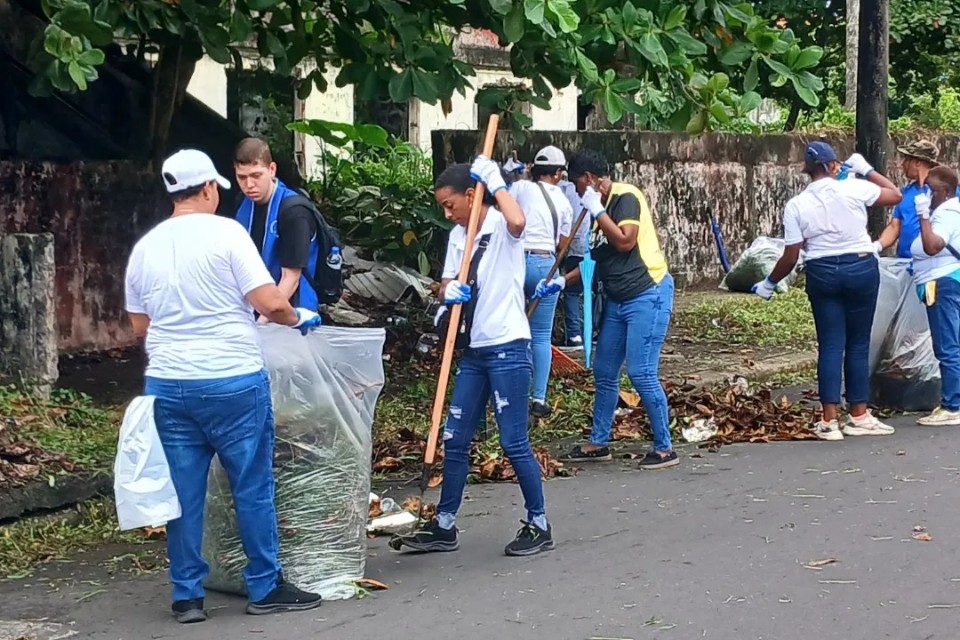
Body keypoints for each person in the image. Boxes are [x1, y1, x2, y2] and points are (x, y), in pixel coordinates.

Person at [124, 149, 324, 623]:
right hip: (231, 379)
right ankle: (264, 585)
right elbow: (270, 302)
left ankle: (187, 595)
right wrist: (298, 316)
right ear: (210, 188)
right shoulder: (228, 234)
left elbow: (138, 328)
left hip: (169, 384)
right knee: (252, 484)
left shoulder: (146, 247)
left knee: (184, 492)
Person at [396, 157, 554, 556]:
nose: (447, 213)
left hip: (508, 346)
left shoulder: (501, 225)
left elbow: (519, 222)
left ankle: (539, 523)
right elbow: (448, 279)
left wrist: (496, 182)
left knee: (513, 441)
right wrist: (446, 291)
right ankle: (444, 524)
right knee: (456, 436)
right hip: (473, 350)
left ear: (472, 195)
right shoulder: (456, 236)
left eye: (451, 205)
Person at [752, 142, 902, 440]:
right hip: (860, 267)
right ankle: (859, 415)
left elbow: (791, 254)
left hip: (822, 272)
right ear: (834, 166)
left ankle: (829, 420)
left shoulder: (796, 204)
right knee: (858, 342)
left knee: (831, 344)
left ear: (808, 170)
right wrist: (866, 169)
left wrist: (769, 283)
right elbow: (895, 195)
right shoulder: (854, 188)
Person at [545, 150, 678, 470]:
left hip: (649, 294)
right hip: (618, 300)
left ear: (589, 180)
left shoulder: (625, 197)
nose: (577, 193)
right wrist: (563, 282)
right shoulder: (596, 213)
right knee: (605, 370)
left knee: (641, 372)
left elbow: (625, 241)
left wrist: (597, 209)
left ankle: (664, 447)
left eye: (578, 186)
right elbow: (597, 260)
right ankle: (599, 442)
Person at [508, 146, 574, 418]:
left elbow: (507, 215)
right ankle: (538, 397)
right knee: (541, 337)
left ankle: (510, 392)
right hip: (544, 264)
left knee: (510, 330)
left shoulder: (521, 188)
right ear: (558, 174)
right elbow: (563, 244)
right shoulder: (565, 203)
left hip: (514, 262)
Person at [234, 138, 321, 313]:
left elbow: (291, 278)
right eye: (242, 177)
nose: (249, 185)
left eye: (256, 176)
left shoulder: (294, 212)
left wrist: (264, 321)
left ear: (272, 169)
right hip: (254, 305)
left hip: (292, 310)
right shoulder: (240, 204)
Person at [910, 166, 960, 426]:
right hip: (946, 280)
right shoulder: (948, 211)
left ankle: (952, 405)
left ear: (946, 191)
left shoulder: (947, 214)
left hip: (942, 283)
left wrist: (923, 215)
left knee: (947, 344)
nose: (927, 195)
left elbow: (932, 246)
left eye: (931, 190)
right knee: (952, 341)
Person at [874, 140, 959, 257]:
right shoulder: (905, 193)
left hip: (938, 264)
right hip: (907, 263)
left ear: (917, 162)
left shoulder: (947, 191)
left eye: (906, 160)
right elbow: (895, 226)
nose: (901, 164)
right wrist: (877, 246)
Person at [558, 176, 588, 351]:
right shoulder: (591, 190)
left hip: (575, 246)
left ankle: (574, 334)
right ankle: (587, 332)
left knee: (572, 291)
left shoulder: (565, 188)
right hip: (590, 244)